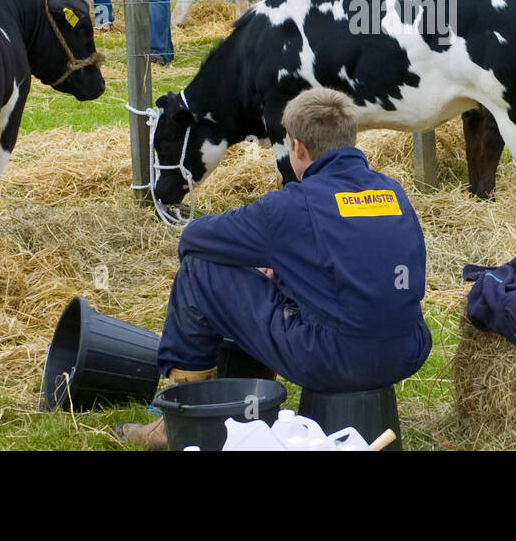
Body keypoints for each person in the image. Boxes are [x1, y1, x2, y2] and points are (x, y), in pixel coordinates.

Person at [114, 87, 431, 450]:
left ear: (297, 147)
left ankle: (179, 422)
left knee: (199, 272)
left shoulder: (291, 205)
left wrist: (263, 254)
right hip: (406, 349)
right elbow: (358, 265)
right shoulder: (392, 192)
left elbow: (195, 239)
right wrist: (283, 266)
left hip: (333, 358)